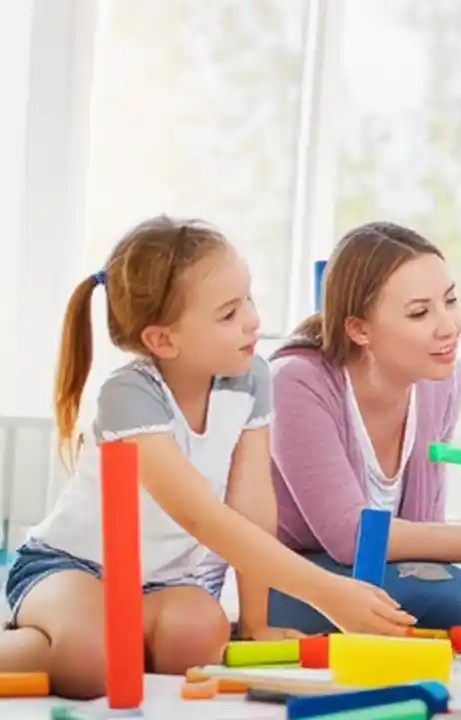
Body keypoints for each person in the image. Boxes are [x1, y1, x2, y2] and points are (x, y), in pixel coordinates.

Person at [0, 217, 412, 698]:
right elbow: (200, 515)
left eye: (249, 300)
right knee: (93, 666)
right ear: (162, 341)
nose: (253, 320)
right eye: (228, 313)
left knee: (196, 640)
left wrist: (256, 623)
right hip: (72, 567)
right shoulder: (129, 397)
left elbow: (253, 504)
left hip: (169, 582)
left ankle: (116, 638)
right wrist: (327, 592)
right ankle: (48, 642)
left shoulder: (251, 378)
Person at [267, 221, 461, 635]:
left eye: (450, 301)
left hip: (385, 576)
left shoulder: (441, 379)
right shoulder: (295, 383)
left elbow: (422, 532)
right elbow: (351, 537)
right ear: (359, 329)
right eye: (419, 313)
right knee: (439, 597)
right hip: (300, 575)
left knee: (446, 592)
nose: (448, 326)